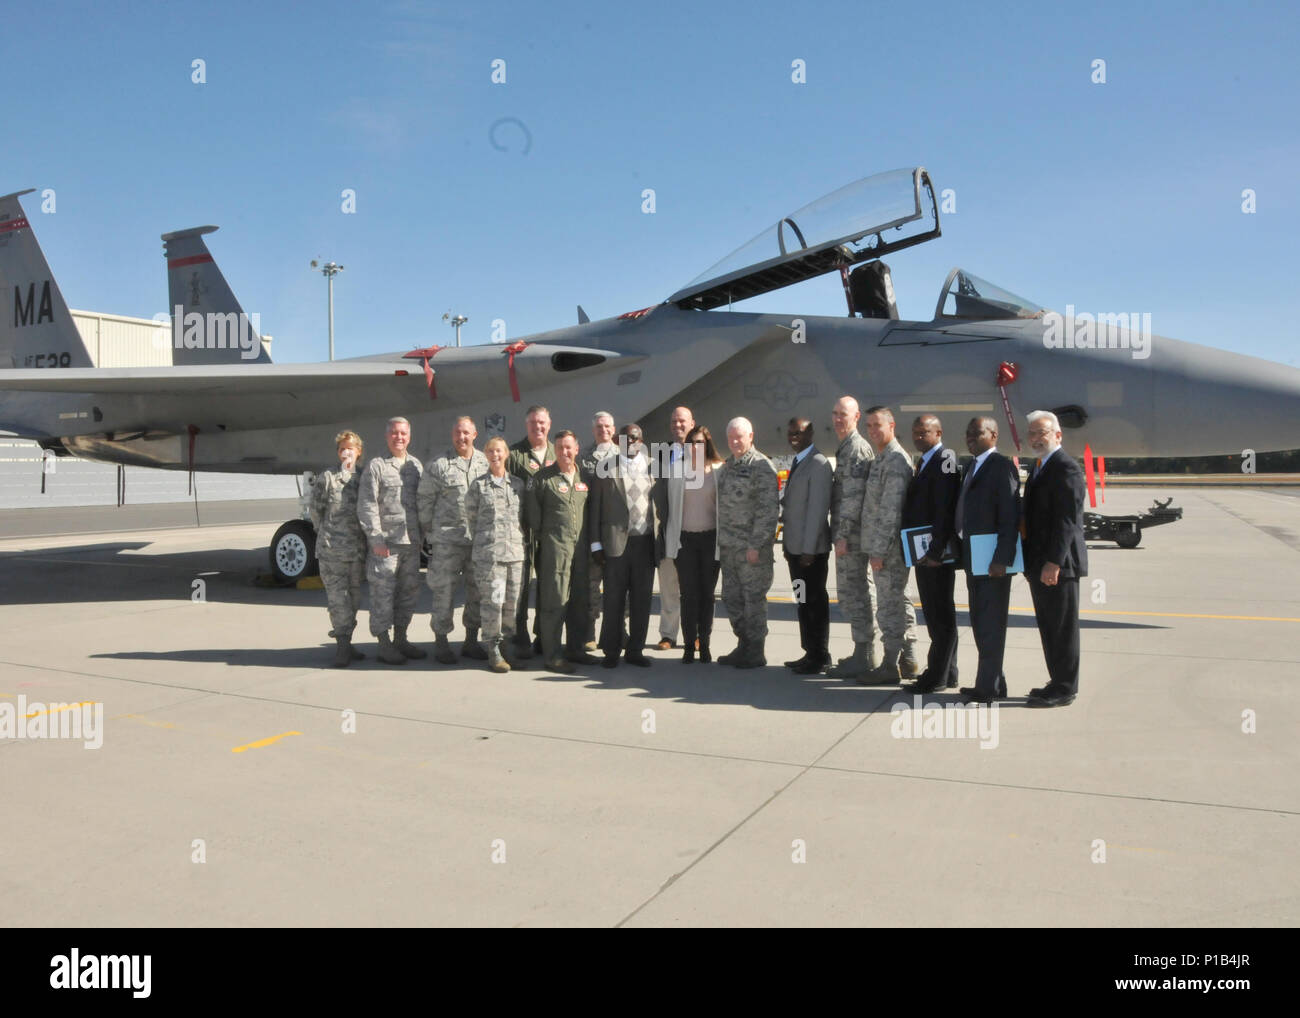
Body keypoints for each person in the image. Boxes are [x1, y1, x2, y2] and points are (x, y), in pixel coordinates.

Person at [1022, 410, 1088, 708]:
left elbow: (1067, 520)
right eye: (1032, 434)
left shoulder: (1066, 468)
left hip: (1059, 564)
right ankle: (1056, 680)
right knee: (1048, 625)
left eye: (1042, 433)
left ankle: (1065, 687)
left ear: (1058, 435)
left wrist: (1054, 562)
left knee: (1062, 628)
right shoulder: (1039, 467)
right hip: (1040, 562)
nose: (1036, 439)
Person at [955, 416, 1021, 703]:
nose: (970, 437)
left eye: (977, 432)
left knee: (991, 624)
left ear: (993, 435)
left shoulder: (1001, 467)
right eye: (968, 432)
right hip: (973, 559)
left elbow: (1010, 516)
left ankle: (987, 688)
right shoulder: (971, 466)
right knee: (981, 623)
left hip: (992, 562)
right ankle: (994, 682)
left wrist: (1001, 559)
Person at [418, 416, 489, 664]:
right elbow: (424, 502)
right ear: (452, 435)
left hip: (477, 541)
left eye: (466, 433)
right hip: (447, 541)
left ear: (475, 434)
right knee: (443, 593)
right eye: (458, 433)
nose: (462, 437)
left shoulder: (486, 462)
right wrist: (431, 535)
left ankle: (471, 640)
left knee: (477, 592)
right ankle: (441, 643)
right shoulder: (438, 465)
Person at [357, 416, 426, 665]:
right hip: (385, 545)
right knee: (382, 595)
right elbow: (367, 505)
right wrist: (375, 539)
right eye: (395, 433)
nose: (399, 437)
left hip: (411, 543)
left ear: (409, 436)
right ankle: (384, 644)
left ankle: (401, 639)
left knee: (408, 594)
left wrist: (423, 536)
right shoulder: (377, 466)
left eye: (403, 433)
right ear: (387, 436)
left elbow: (423, 503)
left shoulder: (416, 466)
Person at [858, 406, 919, 683]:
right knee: (900, 600)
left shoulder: (895, 460)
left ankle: (889, 665)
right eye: (868, 426)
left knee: (888, 605)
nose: (872, 431)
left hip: (889, 549)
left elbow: (890, 511)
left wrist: (879, 550)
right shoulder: (883, 458)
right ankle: (908, 658)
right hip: (886, 546)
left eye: (877, 425)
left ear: (891, 426)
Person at [901, 414, 961, 694]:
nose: (918, 437)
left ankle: (936, 675)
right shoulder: (925, 461)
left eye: (924, 432)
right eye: (915, 433)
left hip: (935, 553)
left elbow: (945, 508)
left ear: (938, 432)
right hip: (924, 550)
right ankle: (948, 672)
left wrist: (936, 551)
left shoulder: (946, 458)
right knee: (938, 613)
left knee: (939, 615)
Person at [591, 423, 658, 668]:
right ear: (618, 441)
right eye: (625, 438)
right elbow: (595, 507)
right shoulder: (605, 467)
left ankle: (635, 650)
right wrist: (595, 544)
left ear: (641, 440)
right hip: (615, 543)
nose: (630, 441)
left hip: (645, 542)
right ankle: (611, 651)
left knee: (642, 600)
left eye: (635, 437)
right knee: (613, 599)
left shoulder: (654, 465)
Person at [716, 417, 779, 669]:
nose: (734, 441)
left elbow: (768, 511)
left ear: (750, 436)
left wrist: (756, 544)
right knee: (732, 598)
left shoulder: (762, 466)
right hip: (729, 547)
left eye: (739, 437)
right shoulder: (728, 465)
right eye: (731, 437)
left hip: (752, 550)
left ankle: (756, 650)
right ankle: (743, 644)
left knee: (753, 600)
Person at [526, 430, 592, 674]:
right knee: (554, 602)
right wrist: (549, 542)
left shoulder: (584, 477)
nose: (565, 452)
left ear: (576, 448)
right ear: (555, 450)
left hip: (581, 550)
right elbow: (534, 517)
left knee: (579, 602)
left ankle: (576, 649)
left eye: (569, 447)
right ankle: (552, 654)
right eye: (560, 448)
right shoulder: (542, 479)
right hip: (555, 550)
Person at [659, 424, 722, 663]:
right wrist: (668, 541)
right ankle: (688, 645)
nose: (696, 447)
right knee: (688, 595)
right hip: (684, 541)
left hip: (710, 540)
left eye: (700, 442)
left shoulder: (718, 470)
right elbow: (668, 508)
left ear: (707, 444)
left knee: (707, 595)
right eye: (692, 442)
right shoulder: (677, 470)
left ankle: (704, 644)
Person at [466, 436, 527, 673]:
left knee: (512, 604)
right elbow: (471, 519)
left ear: (506, 454)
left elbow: (523, 518)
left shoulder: (518, 485)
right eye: (490, 451)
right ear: (486, 455)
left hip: (515, 555)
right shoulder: (478, 486)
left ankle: (508, 647)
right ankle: (493, 650)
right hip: (491, 557)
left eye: (499, 451)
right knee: (494, 604)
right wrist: (487, 543)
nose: (495, 455)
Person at [827, 396, 878, 679]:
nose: (837, 419)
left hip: (853, 536)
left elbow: (854, 498)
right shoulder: (846, 447)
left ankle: (865, 654)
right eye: (834, 414)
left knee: (855, 593)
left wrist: (843, 535)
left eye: (843, 415)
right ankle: (862, 651)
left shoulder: (856, 449)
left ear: (856, 417)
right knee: (851, 593)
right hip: (848, 534)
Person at [309, 430, 368, 667]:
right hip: (331, 551)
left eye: (350, 448)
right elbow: (315, 512)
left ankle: (348, 642)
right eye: (342, 448)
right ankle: (342, 647)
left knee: (353, 599)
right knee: (338, 600)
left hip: (356, 552)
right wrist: (327, 534)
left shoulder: (363, 479)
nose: (346, 452)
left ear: (358, 451)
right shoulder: (327, 478)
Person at [779, 417, 833, 674]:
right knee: (802, 601)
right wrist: (789, 546)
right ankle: (809, 650)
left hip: (811, 552)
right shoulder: (800, 460)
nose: (793, 437)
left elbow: (817, 511)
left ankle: (820, 654)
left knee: (815, 603)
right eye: (790, 433)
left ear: (811, 433)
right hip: (796, 549)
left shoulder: (818, 463)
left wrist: (809, 549)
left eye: (799, 433)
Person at [507, 405, 555, 658]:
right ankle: (519, 637)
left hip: (549, 533)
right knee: (520, 588)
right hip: (521, 532)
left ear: (549, 424)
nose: (538, 427)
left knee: (547, 587)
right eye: (534, 423)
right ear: (527, 425)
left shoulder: (558, 452)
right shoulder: (514, 454)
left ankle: (543, 636)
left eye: (542, 422)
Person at [654, 405, 695, 650]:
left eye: (682, 421)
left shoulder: (702, 454)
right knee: (668, 586)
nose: (678, 426)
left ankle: (697, 634)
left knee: (694, 587)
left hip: (694, 532)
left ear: (692, 423)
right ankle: (668, 634)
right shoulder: (660, 454)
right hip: (668, 530)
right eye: (673, 422)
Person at [578, 412, 617, 653]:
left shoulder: (623, 456)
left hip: (616, 530)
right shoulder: (584, 459)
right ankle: (589, 632)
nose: (603, 430)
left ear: (613, 430)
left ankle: (616, 631)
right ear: (593, 430)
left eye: (607, 426)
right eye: (599, 427)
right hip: (592, 529)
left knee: (617, 586)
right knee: (591, 585)